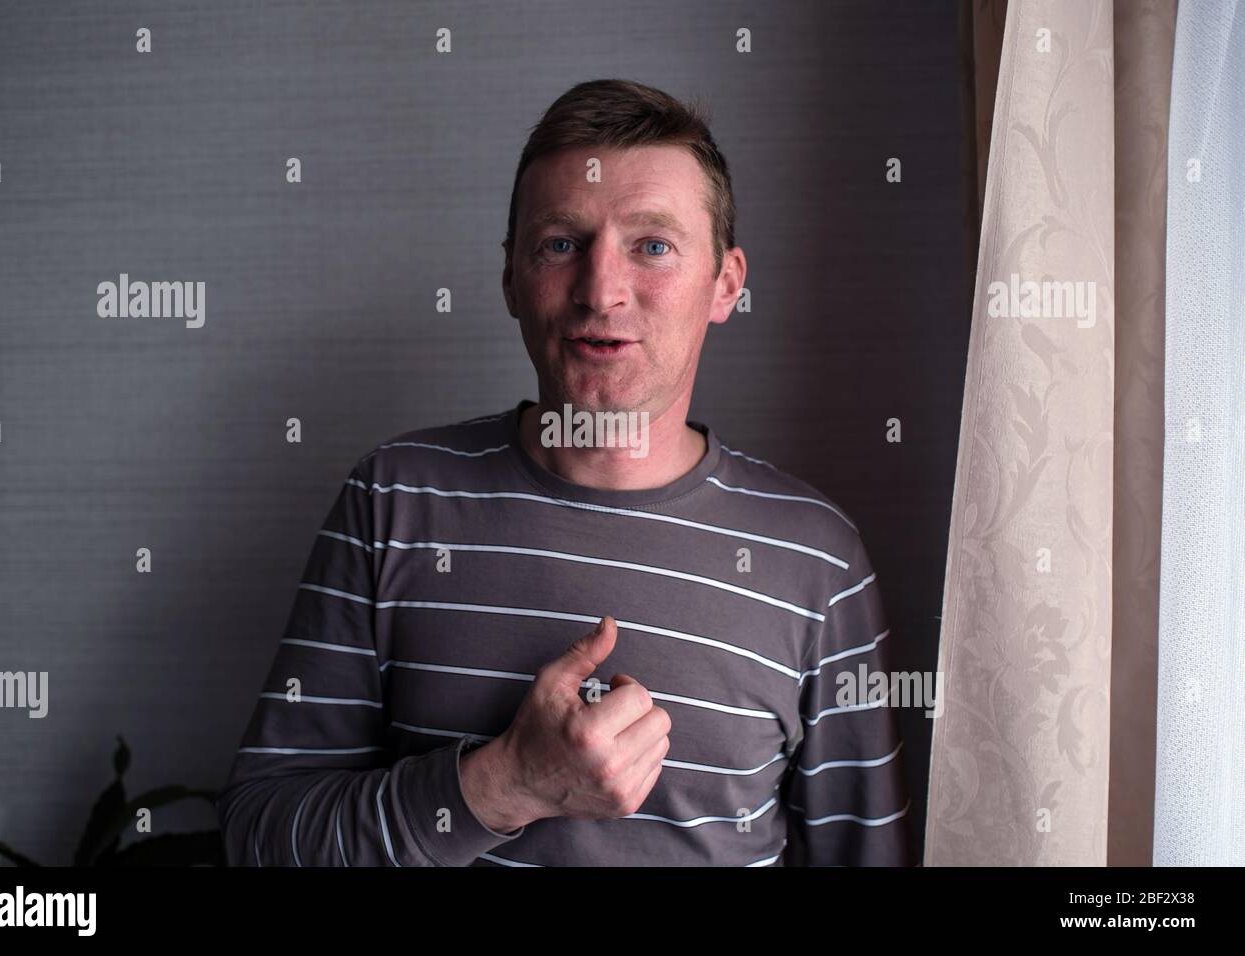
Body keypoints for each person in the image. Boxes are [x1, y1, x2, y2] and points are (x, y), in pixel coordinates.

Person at [217, 78, 915, 867]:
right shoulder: (395, 499)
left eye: (652, 245)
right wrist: (503, 785)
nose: (601, 290)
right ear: (512, 278)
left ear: (726, 283)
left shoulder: (817, 558)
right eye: (560, 243)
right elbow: (258, 839)